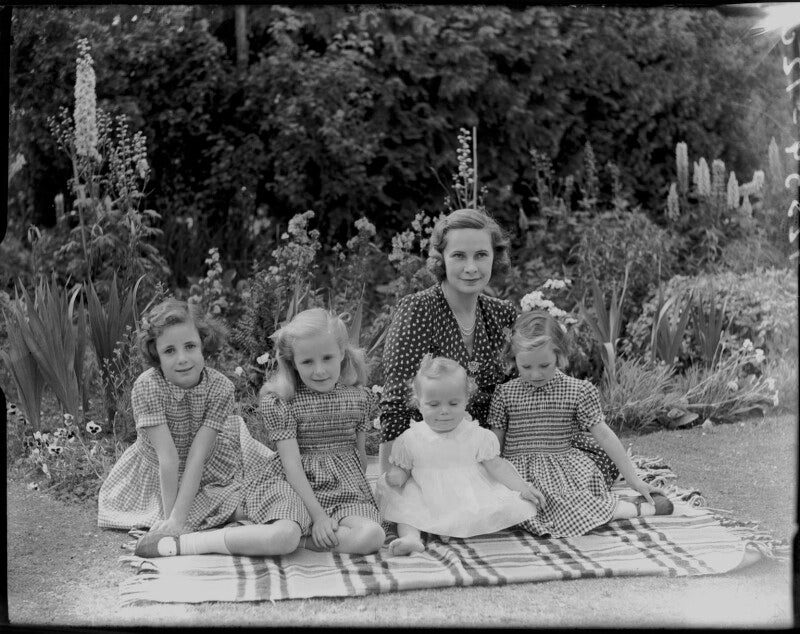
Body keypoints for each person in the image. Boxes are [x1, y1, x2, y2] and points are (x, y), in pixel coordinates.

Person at [379, 207, 618, 487]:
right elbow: (395, 401)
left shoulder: (501, 314)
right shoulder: (418, 310)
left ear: (495, 257)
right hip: (434, 449)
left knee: (592, 464)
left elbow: (527, 387)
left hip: (494, 448)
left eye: (481, 255)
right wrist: (388, 484)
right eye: (459, 256)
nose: (471, 267)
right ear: (441, 259)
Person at [101, 299, 299, 559]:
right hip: (162, 474)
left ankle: (282, 524)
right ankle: (192, 533)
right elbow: (168, 459)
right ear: (156, 354)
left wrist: (178, 520)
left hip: (208, 467)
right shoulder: (148, 387)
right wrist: (173, 521)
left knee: (254, 504)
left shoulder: (219, 387)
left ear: (203, 343)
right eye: (169, 351)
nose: (182, 359)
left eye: (190, 346)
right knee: (193, 517)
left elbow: (198, 456)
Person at [487, 311, 674, 538]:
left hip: (562, 473)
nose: (535, 374)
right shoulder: (504, 394)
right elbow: (494, 448)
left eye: (544, 365)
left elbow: (604, 435)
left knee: (558, 501)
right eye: (526, 367)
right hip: (517, 473)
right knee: (507, 507)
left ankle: (635, 507)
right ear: (513, 358)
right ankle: (620, 508)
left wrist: (634, 479)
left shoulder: (577, 391)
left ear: (559, 356)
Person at [375, 355, 545, 556]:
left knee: (492, 507)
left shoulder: (476, 435)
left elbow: (497, 466)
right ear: (419, 404)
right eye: (434, 404)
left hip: (466, 493)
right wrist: (398, 476)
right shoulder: (411, 438)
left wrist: (522, 488)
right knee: (406, 506)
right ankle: (412, 538)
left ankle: (457, 527)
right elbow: (404, 467)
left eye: (453, 403)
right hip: (426, 492)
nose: (444, 411)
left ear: (466, 400)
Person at [251, 307, 385, 554]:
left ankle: (308, 541)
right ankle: (298, 536)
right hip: (295, 487)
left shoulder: (358, 398)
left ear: (341, 353)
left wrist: (354, 495)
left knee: (373, 535)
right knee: (285, 528)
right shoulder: (283, 402)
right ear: (293, 362)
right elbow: (291, 466)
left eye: (327, 358)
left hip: (343, 488)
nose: (319, 370)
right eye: (307, 362)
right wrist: (319, 516)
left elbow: (361, 457)